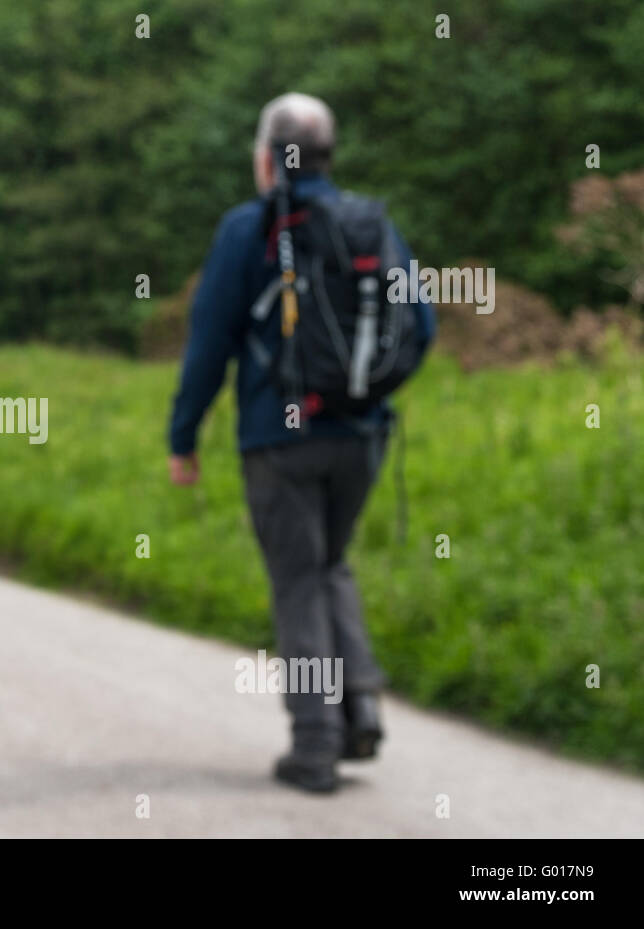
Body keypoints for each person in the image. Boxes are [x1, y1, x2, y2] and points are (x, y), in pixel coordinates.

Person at [167, 93, 435, 793]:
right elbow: (423, 328)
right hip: (362, 437)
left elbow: (209, 343)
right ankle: (361, 707)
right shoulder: (371, 225)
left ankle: (315, 746)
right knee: (330, 563)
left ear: (265, 158)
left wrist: (183, 435)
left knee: (298, 580)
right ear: (327, 155)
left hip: (278, 440)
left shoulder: (247, 229)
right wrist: (363, 395)